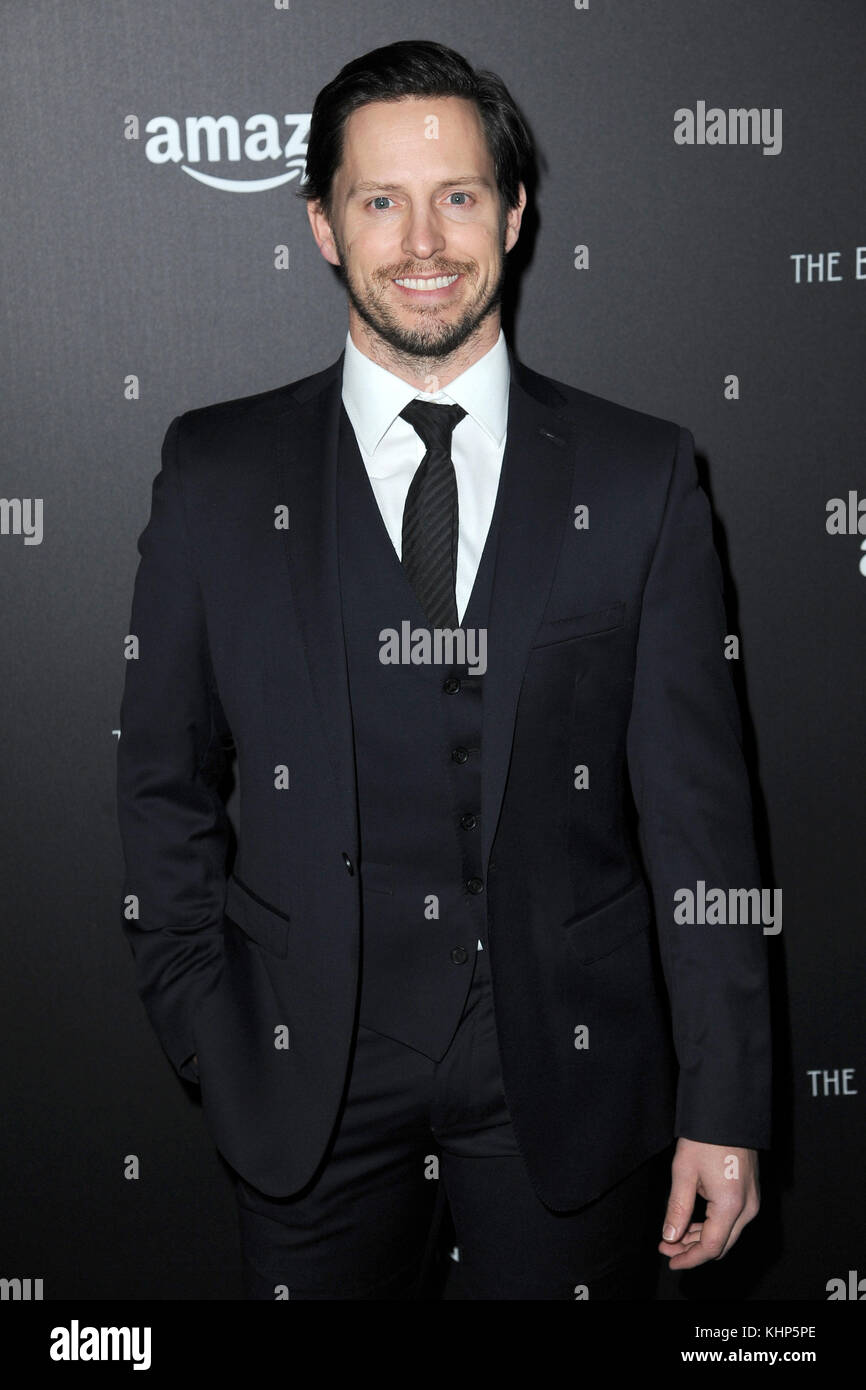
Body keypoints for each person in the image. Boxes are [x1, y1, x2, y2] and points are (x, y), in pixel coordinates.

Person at [116, 39, 771, 1300]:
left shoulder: (641, 476)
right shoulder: (216, 472)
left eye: (458, 195)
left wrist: (726, 1096)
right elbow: (161, 783)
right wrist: (212, 1023)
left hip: (564, 1076)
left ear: (515, 216)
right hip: (304, 1071)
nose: (422, 240)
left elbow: (703, 823)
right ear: (320, 224)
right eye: (379, 200)